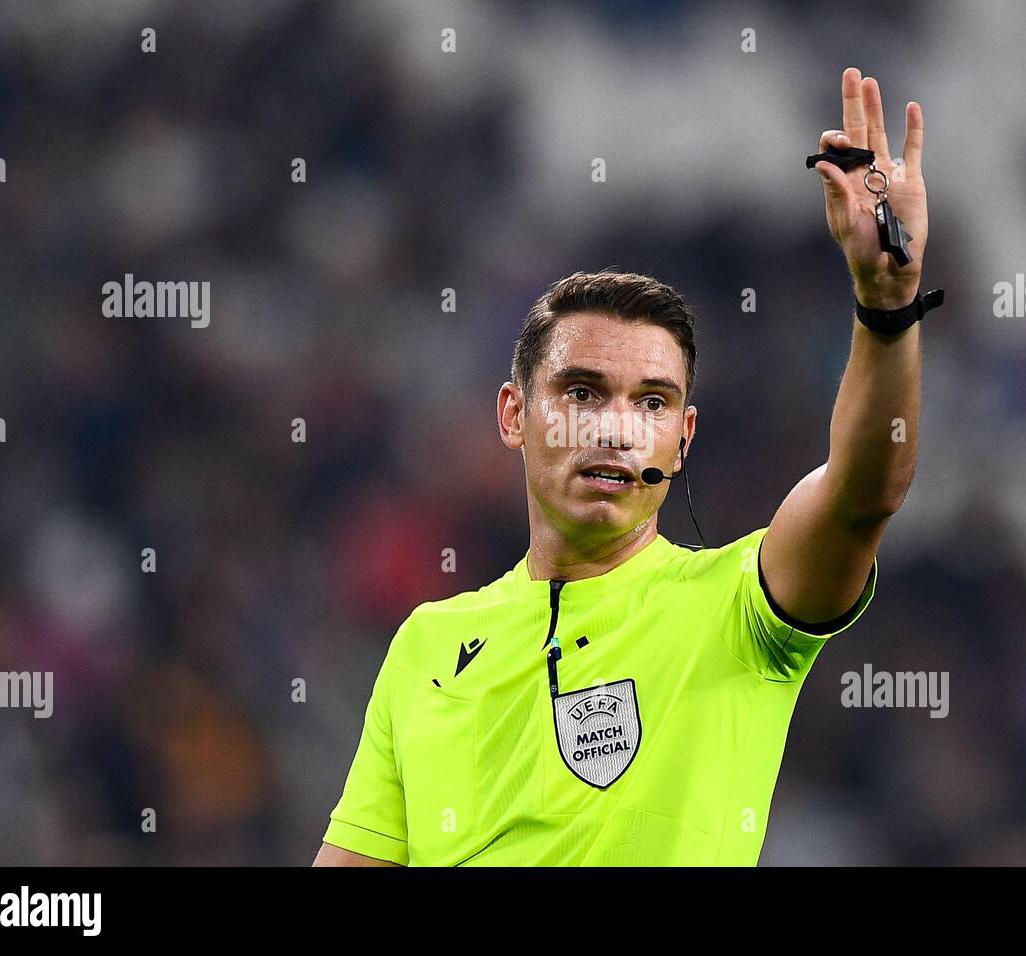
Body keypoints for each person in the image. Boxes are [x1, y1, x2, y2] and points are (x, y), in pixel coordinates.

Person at [314, 66, 931, 866]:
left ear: (683, 438)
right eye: (581, 390)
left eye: (652, 402)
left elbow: (862, 495)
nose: (615, 428)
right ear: (514, 415)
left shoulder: (741, 610)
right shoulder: (427, 647)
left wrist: (887, 310)